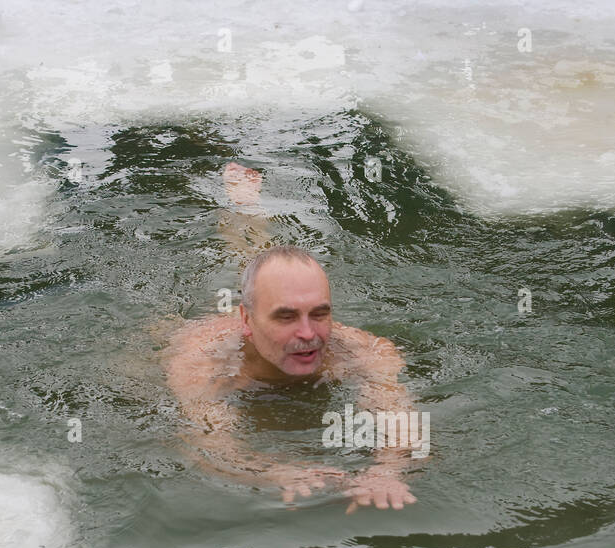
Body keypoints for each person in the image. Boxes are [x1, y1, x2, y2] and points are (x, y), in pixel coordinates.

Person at [162, 162, 422, 513]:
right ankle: (245, 209)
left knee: (261, 272)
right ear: (247, 321)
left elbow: (400, 419)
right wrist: (272, 472)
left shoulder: (364, 351)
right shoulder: (201, 360)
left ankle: (248, 211)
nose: (308, 334)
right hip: (195, 327)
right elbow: (210, 445)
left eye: (320, 313)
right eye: (286, 317)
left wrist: (387, 471)